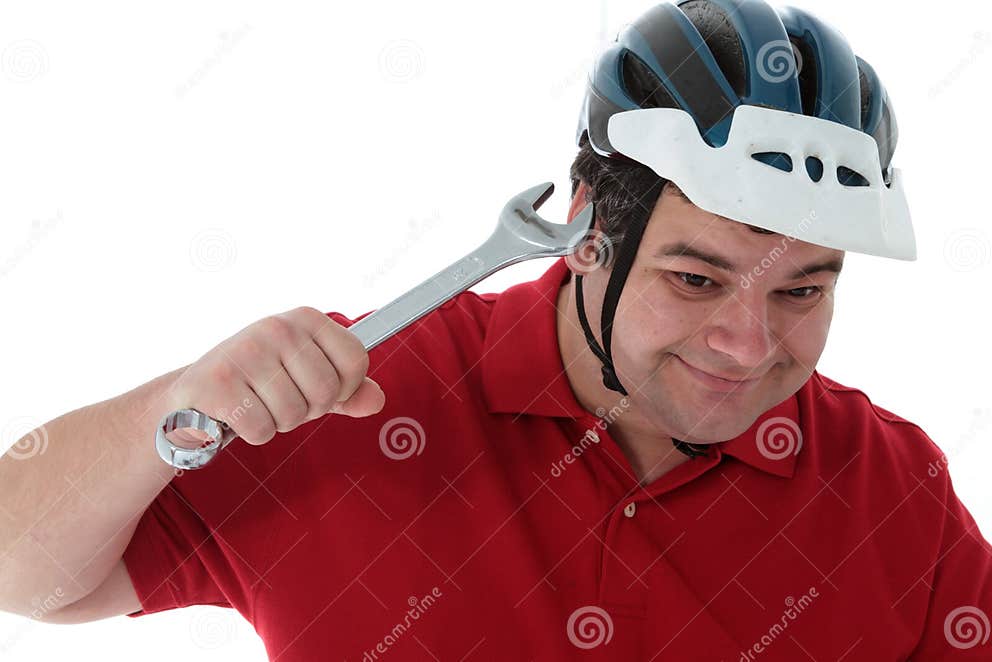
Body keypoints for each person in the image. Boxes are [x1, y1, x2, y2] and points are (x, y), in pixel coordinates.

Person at [2, 0, 989, 659]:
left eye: (801, 291)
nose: (746, 341)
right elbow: (24, 574)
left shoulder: (890, 488)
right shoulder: (346, 398)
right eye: (695, 277)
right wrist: (167, 414)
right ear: (585, 225)